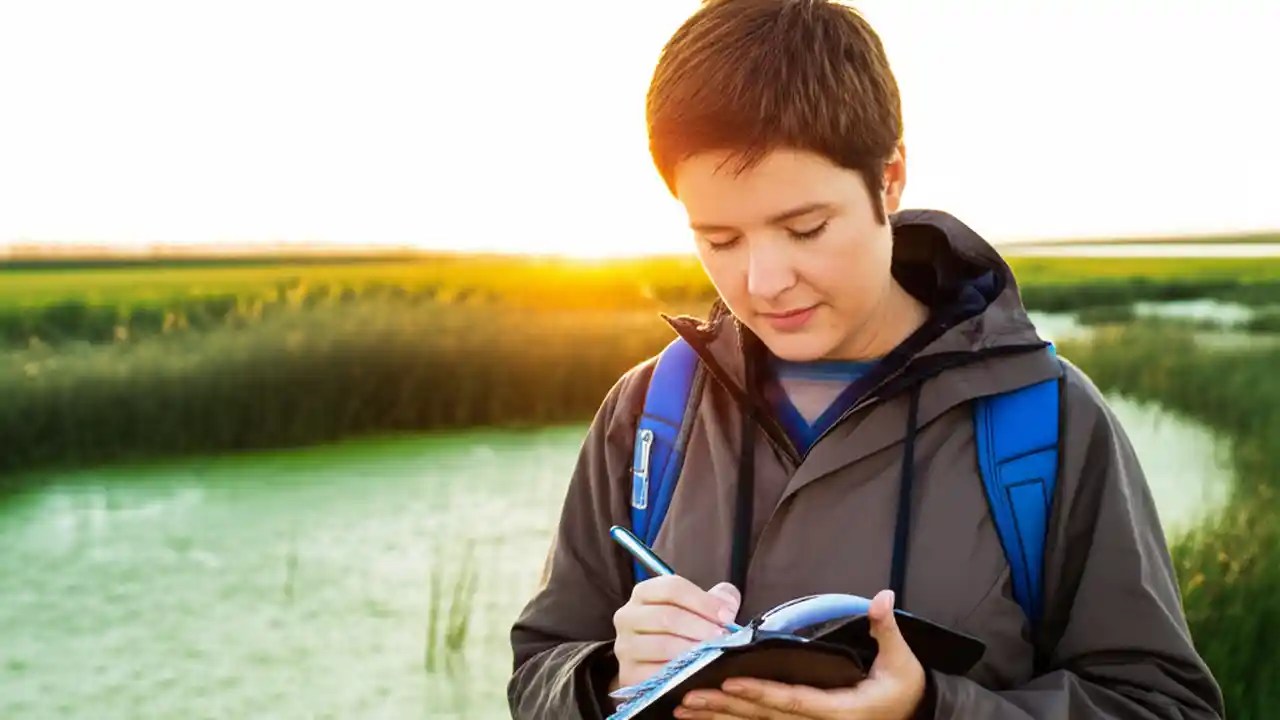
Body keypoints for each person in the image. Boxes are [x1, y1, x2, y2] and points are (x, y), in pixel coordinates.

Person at [507, 0, 1224, 717]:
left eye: (805, 228)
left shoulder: (1047, 421)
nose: (763, 282)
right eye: (720, 240)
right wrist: (603, 680)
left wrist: (930, 709)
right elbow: (540, 667)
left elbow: (1167, 706)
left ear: (889, 179)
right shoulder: (646, 411)